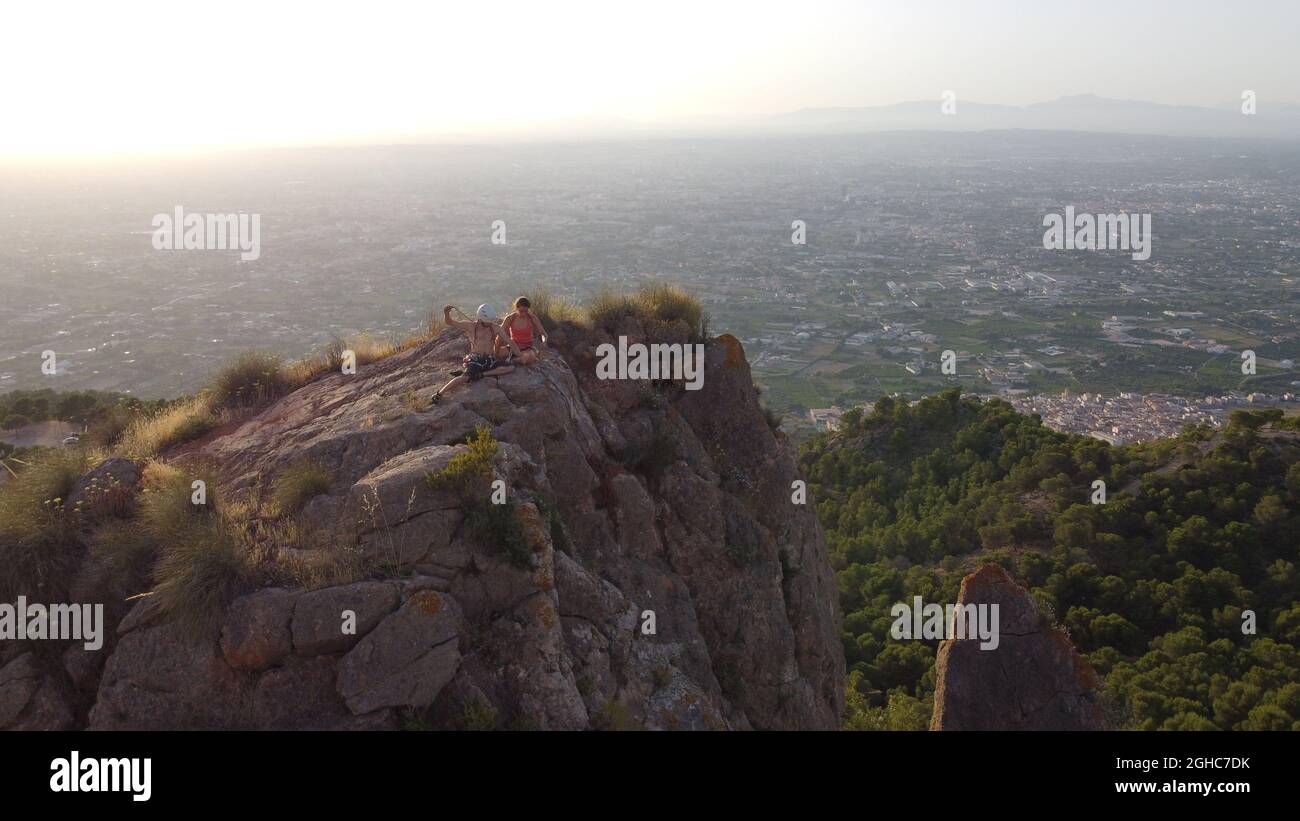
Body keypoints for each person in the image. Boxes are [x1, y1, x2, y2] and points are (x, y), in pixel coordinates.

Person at [431, 303, 521, 403]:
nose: (490, 323)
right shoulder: (470, 326)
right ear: (481, 318)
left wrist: (519, 354)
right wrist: (446, 313)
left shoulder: (495, 327)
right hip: (476, 359)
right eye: (488, 321)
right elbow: (450, 322)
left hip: (489, 359)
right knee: (464, 378)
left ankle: (482, 374)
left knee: (511, 367)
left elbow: (508, 340)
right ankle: (439, 394)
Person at [498, 296, 548, 365]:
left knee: (530, 357)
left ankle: (513, 360)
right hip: (513, 346)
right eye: (521, 311)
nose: (524, 313)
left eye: (526, 311)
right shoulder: (510, 318)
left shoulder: (532, 318)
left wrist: (544, 342)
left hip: (527, 348)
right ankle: (515, 358)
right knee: (498, 353)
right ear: (516, 308)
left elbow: (543, 334)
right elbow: (500, 332)